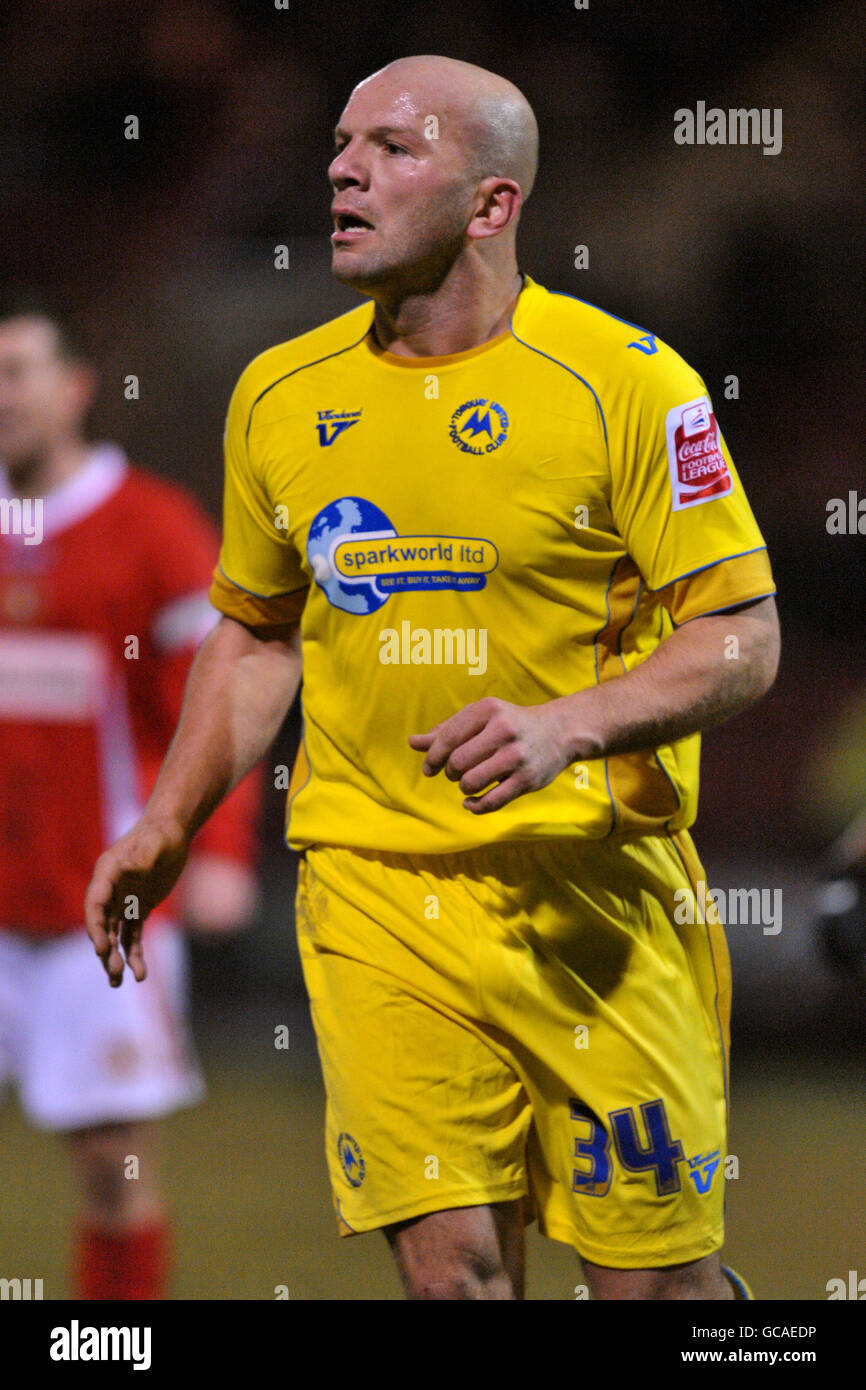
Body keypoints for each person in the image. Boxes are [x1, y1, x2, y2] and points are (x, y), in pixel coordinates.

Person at [85, 55, 780, 1301]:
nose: (344, 170)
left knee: (653, 1293)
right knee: (451, 1275)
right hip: (373, 892)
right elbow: (254, 637)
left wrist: (570, 725)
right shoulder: (282, 397)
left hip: (594, 901)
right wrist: (169, 818)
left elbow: (741, 635)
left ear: (490, 204)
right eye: (341, 146)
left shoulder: (626, 383)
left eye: (393, 147)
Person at [0, 304, 260, 1300]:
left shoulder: (152, 527)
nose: (2, 394)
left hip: (95, 906)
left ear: (74, 388)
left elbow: (214, 699)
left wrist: (222, 847)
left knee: (113, 1165)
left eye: (19, 370)